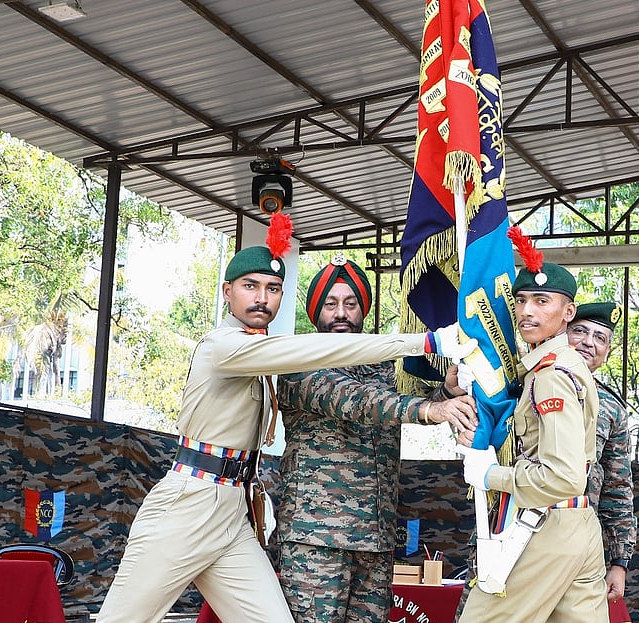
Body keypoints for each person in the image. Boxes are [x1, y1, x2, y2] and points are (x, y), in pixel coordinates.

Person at [96, 221, 467, 623]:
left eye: (272, 290)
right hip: (189, 503)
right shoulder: (225, 346)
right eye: (250, 287)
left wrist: (443, 393)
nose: (262, 299)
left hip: (235, 509)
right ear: (227, 293)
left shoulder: (267, 351)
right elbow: (354, 394)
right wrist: (428, 342)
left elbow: (386, 387)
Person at [273, 255, 478, 623]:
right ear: (315, 311)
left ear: (362, 311)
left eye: (350, 304)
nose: (341, 313)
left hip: (377, 536)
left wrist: (445, 394)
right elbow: (358, 401)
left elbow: (408, 401)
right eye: (331, 304)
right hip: (316, 537)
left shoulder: (383, 367)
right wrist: (429, 410)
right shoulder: (297, 361)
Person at [457, 251, 608, 623]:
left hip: (546, 523)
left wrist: (491, 475)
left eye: (542, 302)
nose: (527, 311)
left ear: (568, 313)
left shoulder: (552, 375)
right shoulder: (560, 366)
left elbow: (563, 476)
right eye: (521, 300)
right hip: (576, 521)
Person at [568, 302, 636, 607]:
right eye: (579, 331)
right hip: (515, 538)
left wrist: (619, 562)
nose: (588, 342)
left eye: (600, 338)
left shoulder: (610, 406)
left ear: (606, 352)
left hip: (580, 547)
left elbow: (617, 489)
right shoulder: (522, 384)